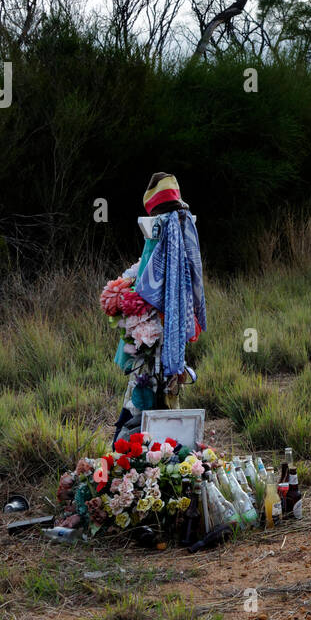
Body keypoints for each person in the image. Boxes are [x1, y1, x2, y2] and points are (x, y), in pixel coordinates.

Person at [106, 172, 207, 444]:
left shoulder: (169, 241)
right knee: (147, 385)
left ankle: (149, 445)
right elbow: (146, 280)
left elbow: (149, 284)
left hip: (159, 333)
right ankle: (143, 445)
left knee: (155, 384)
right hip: (152, 337)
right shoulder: (167, 242)